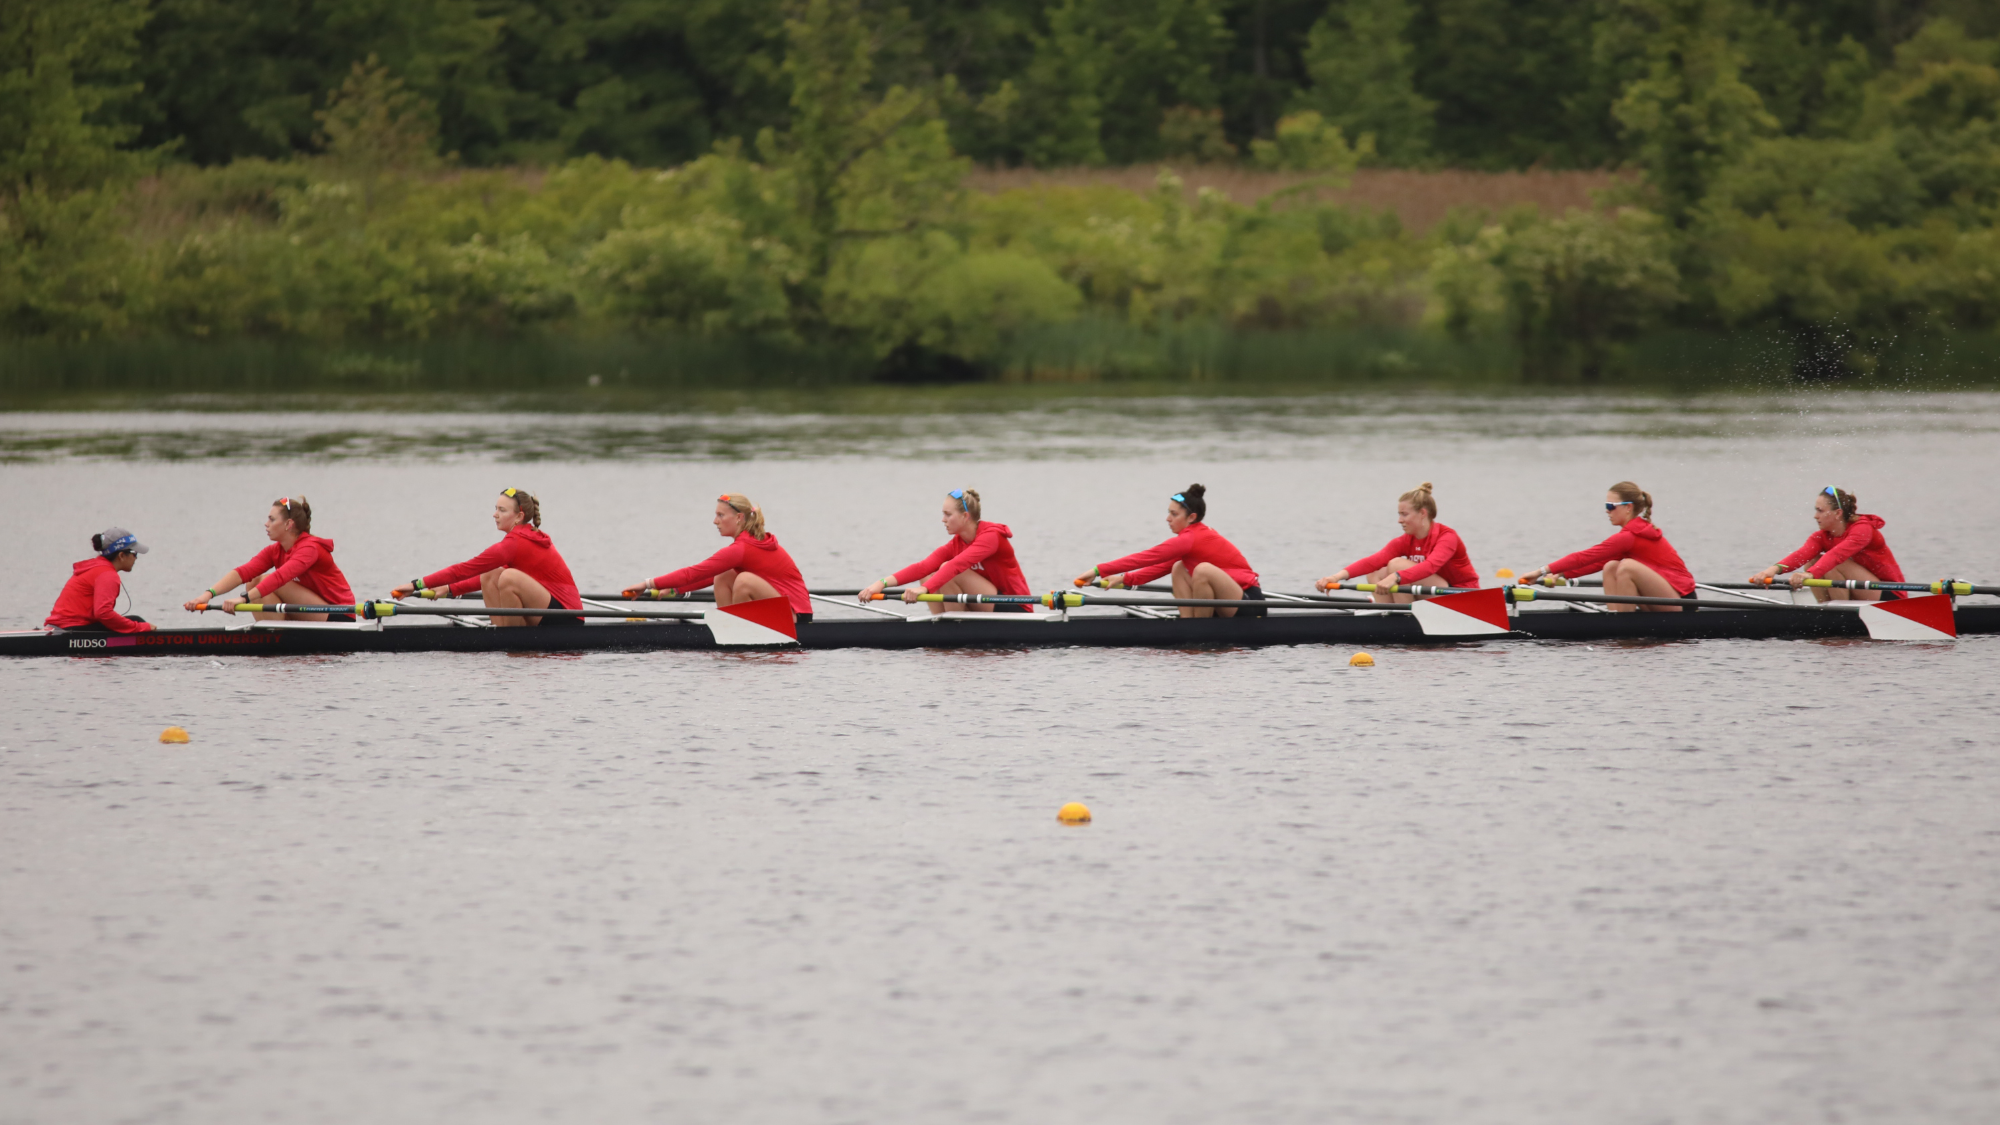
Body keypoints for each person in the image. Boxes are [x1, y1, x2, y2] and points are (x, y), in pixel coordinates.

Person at [390, 488, 580, 627]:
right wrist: (449, 589)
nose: (494, 514)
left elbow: (463, 569)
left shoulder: (515, 544)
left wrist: (416, 585)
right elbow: (480, 576)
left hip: (568, 618)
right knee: (493, 574)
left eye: (502, 510)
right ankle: (501, 634)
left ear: (518, 516)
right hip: (547, 610)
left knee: (508, 578)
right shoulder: (522, 538)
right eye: (496, 508)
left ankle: (512, 638)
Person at [1074, 484, 1264, 619]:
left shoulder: (1192, 538)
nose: (1168, 519)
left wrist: (1097, 571)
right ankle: (1188, 624)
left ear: (1191, 517)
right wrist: (1124, 578)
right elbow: (1160, 567)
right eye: (1169, 512)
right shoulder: (1189, 540)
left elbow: (1146, 557)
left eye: (1174, 514)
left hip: (1250, 604)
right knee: (1178, 567)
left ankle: (1200, 629)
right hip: (1227, 603)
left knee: (1203, 570)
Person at [625, 493, 812, 624]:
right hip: (782, 610)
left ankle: (739, 629)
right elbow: (707, 575)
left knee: (744, 580)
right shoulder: (747, 544)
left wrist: (648, 584)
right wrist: (675, 589)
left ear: (739, 518)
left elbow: (693, 572)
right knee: (724, 575)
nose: (715, 521)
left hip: (795, 617)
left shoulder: (742, 548)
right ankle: (731, 625)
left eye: (720, 515)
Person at [1518, 481, 1695, 612]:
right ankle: (1615, 617)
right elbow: (1596, 562)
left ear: (1628, 508)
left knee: (1626, 568)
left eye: (1610, 506)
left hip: (1683, 602)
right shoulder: (1631, 534)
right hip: (1664, 599)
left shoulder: (1630, 536)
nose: (1607, 511)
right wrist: (1560, 573)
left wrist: (1539, 572)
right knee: (1610, 566)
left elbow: (1584, 556)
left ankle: (1624, 625)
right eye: (1606, 506)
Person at [859, 489, 1031, 615]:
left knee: (948, 569)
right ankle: (941, 622)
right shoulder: (956, 543)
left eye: (948, 515)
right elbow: (922, 567)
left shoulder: (991, 537)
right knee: (928, 574)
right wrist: (880, 584)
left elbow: (956, 566)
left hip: (1013, 606)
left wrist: (924, 590)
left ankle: (953, 625)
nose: (943, 520)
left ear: (965, 516)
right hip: (984, 603)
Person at [182, 496, 354, 621]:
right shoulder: (275, 551)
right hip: (310, 611)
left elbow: (281, 577)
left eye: (271, 519)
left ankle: (276, 634)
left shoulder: (310, 548)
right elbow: (242, 572)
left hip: (339, 615)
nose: (266, 524)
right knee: (254, 580)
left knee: (267, 581)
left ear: (288, 524)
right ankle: (274, 633)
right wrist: (207, 595)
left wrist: (243, 599)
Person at [1315, 481, 1478, 604]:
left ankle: (1405, 619)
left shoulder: (1447, 537)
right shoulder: (1406, 540)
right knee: (1375, 571)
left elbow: (1431, 566)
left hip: (1463, 598)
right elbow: (1373, 561)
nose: (1399, 520)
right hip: (1432, 594)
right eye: (1399, 514)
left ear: (1422, 513)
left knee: (1397, 565)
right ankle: (1388, 616)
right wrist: (1335, 577)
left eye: (1404, 514)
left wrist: (1396, 577)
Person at [1750, 486, 1906, 602]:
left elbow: (1837, 555)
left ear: (1838, 513)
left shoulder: (1863, 530)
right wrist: (1770, 571)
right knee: (1812, 560)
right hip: (1861, 590)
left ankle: (1838, 614)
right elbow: (1801, 555)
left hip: (1889, 595)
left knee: (1832, 564)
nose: (1815, 516)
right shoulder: (1821, 537)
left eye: (1820, 511)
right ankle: (1825, 610)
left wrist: (1809, 575)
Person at [46, 528, 155, 633]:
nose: (136, 557)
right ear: (121, 555)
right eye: (134, 553)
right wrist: (139, 627)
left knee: (132, 622)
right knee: (137, 622)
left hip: (61, 627)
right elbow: (103, 613)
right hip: (71, 629)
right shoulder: (107, 574)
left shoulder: (96, 567)